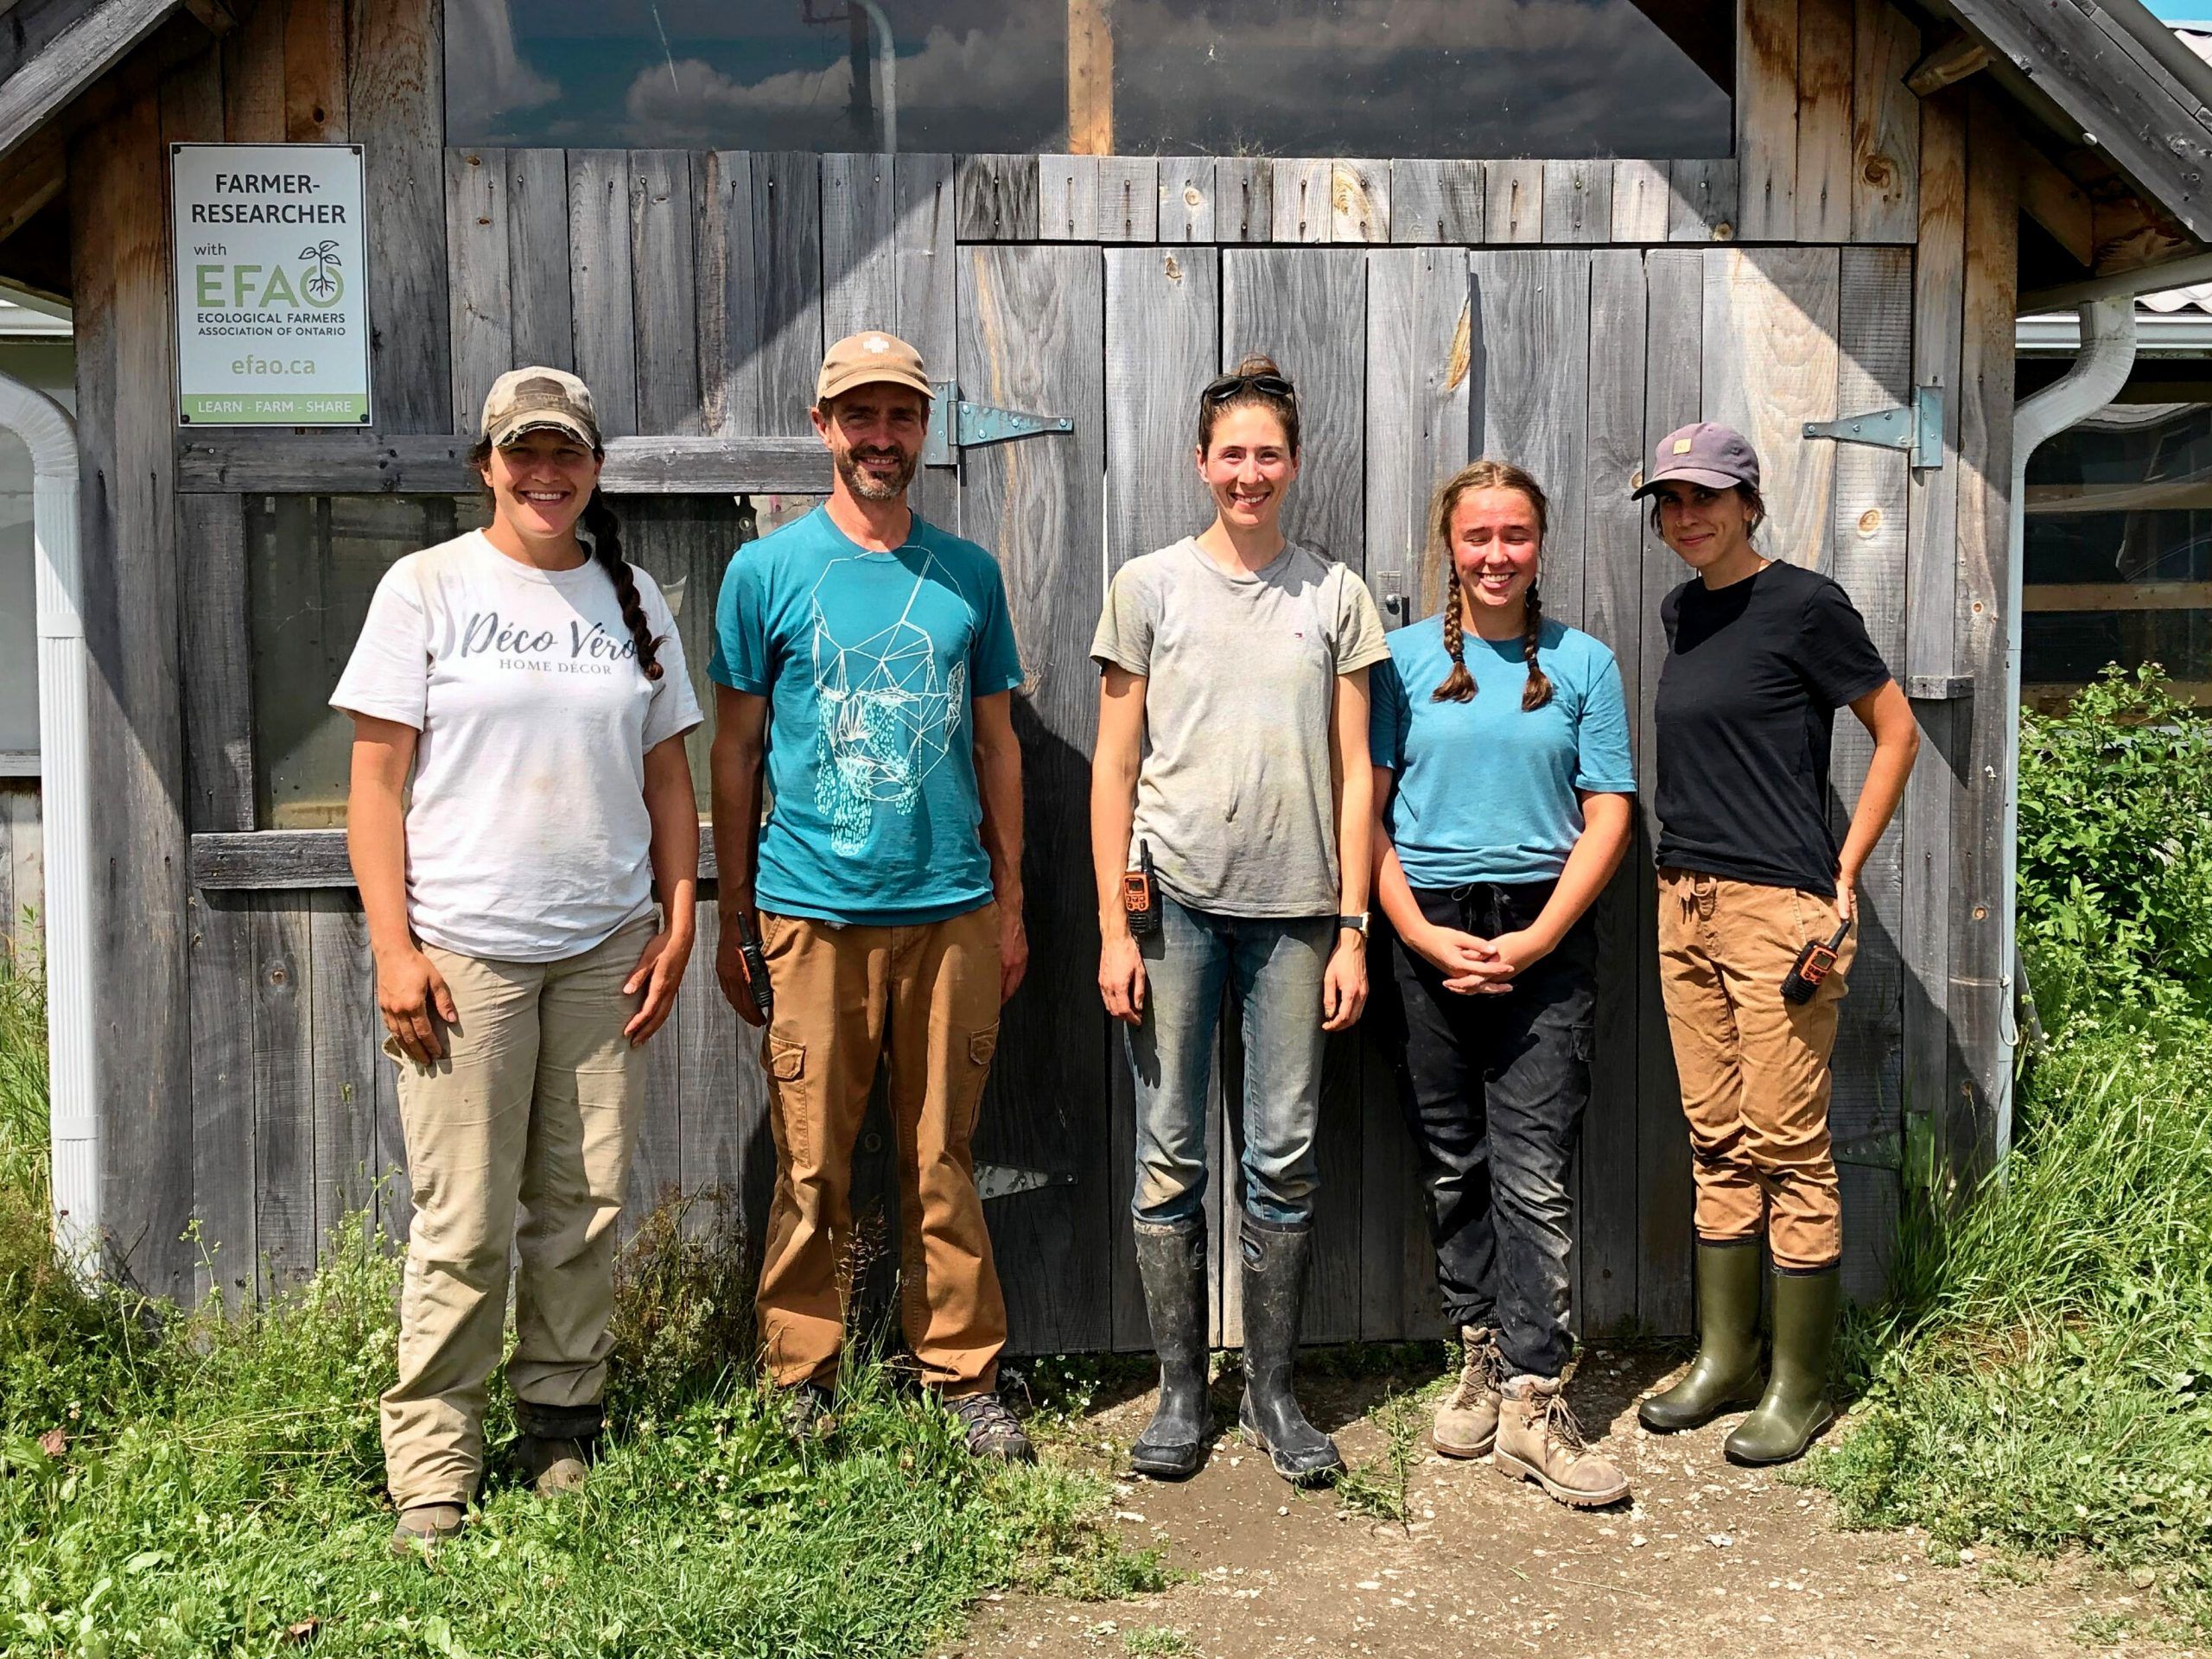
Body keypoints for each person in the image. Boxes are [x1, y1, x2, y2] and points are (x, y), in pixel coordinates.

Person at [334, 367, 703, 1557]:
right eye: (523, 453)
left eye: (567, 454)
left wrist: (678, 918)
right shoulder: (426, 588)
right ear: (487, 465)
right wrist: (394, 948)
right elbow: (375, 785)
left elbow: (668, 780)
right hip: (465, 954)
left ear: (593, 467)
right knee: (464, 1220)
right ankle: (433, 1467)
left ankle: (560, 1424)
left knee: (583, 1206)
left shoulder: (634, 599)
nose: (546, 474)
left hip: (604, 948)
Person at [708, 331, 1033, 1462]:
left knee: (943, 1157)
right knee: (811, 1160)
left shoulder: (967, 574)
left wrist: (1013, 903)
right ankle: (799, 1374)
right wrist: (735, 914)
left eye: (899, 416)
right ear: (823, 427)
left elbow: (998, 747)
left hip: (951, 911)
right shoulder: (765, 574)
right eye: (859, 416)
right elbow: (735, 752)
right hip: (811, 912)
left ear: (924, 430)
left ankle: (962, 1373)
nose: (879, 437)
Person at [1090, 355, 1389, 1485]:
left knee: (1283, 1157)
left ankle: (1270, 1390)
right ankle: (1181, 1390)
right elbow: (1113, 768)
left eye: (1268, 454)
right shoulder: (1149, 588)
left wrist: (1354, 927)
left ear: (1294, 464)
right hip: (1171, 908)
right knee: (1167, 1153)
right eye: (1231, 455)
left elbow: (1356, 774)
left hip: (1297, 915)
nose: (1249, 473)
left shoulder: (1335, 596)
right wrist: (1112, 928)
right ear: (1200, 463)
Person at [1631, 423, 1918, 1464]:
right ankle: (1725, 1357)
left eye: (1705, 497)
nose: (1686, 517)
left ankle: (1799, 1385)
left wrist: (1844, 873)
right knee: (1715, 1137)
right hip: (1684, 902)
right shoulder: (1683, 612)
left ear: (1748, 503)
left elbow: (1896, 731)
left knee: (1786, 1145)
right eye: (1670, 502)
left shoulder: (1805, 605)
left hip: (1776, 912)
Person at [1369, 461, 1637, 1508]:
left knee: (1533, 1168)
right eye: (1476, 536)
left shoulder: (1583, 663)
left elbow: (1608, 811)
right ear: (1449, 545)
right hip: (1425, 924)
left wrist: (1535, 942)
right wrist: (1415, 934)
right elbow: (1365, 812)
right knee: (1451, 1159)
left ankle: (1532, 1395)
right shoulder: (1397, 663)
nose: (1495, 555)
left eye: (1514, 535)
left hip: (1545, 928)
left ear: (1539, 544)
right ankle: (1477, 1348)